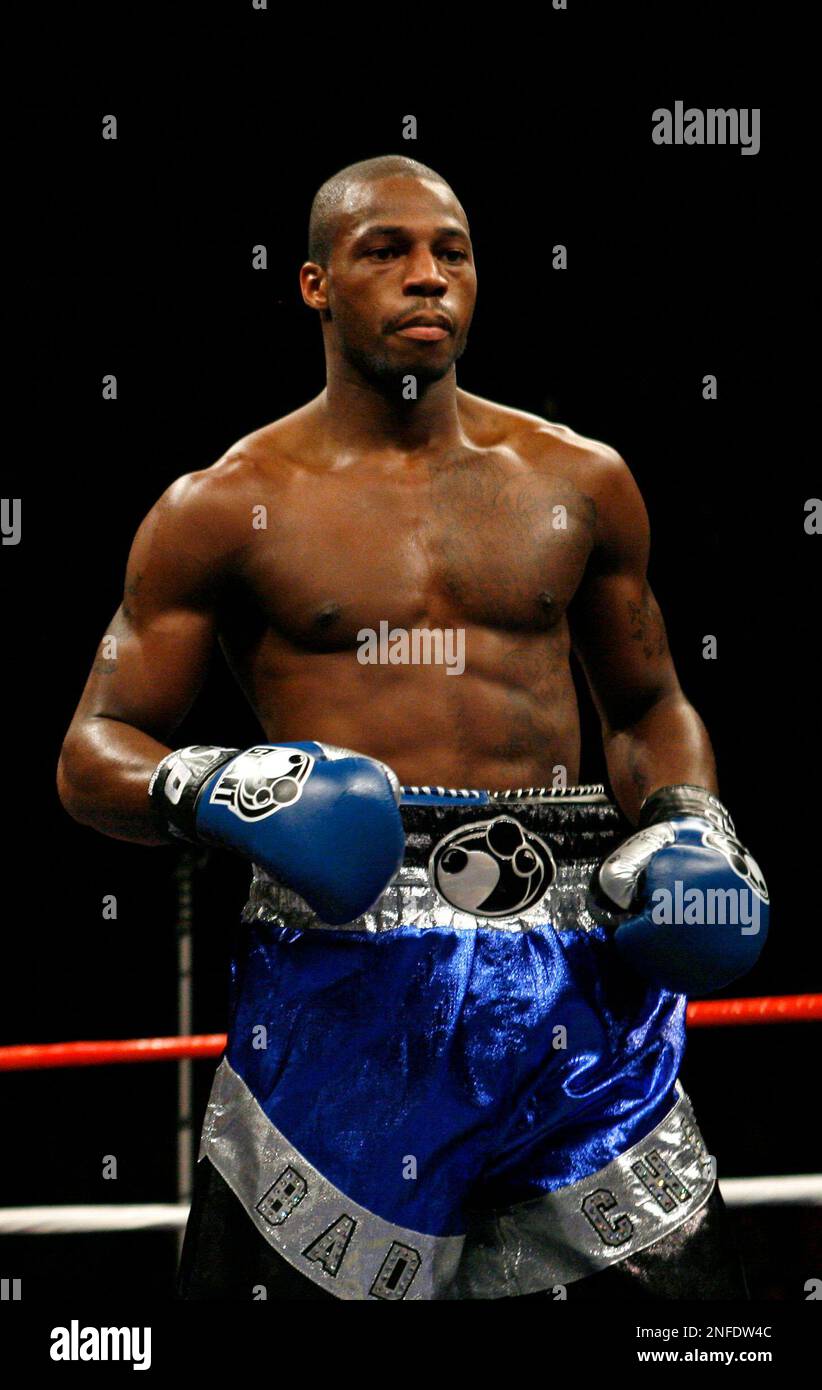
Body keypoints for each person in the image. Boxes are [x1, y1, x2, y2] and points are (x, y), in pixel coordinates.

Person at [57, 154, 768, 1300]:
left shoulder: (579, 478)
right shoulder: (222, 506)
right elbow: (95, 750)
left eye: (453, 252)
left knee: (694, 1325)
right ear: (314, 285)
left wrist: (693, 823)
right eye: (385, 251)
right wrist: (230, 788)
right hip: (342, 970)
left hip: (579, 971)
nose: (427, 277)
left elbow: (648, 707)